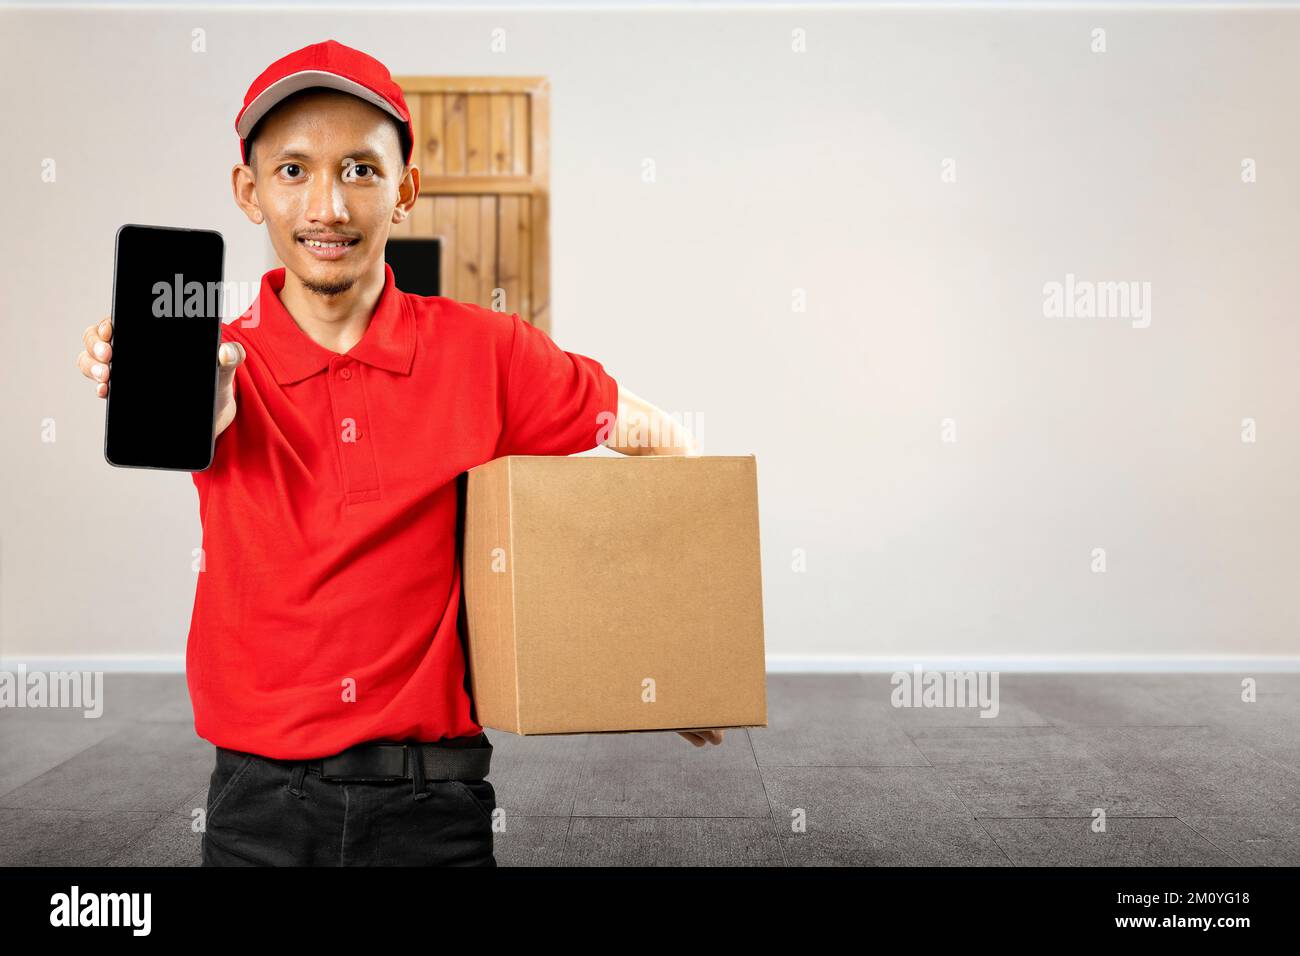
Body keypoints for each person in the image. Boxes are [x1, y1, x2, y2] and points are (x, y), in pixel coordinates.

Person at [75, 40, 723, 867]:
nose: (328, 208)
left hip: (435, 802)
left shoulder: (490, 354)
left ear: (405, 190)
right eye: (294, 171)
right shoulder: (214, 363)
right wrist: (145, 376)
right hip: (254, 807)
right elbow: (205, 406)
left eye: (359, 170)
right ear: (249, 191)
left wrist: (678, 649)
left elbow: (662, 440)